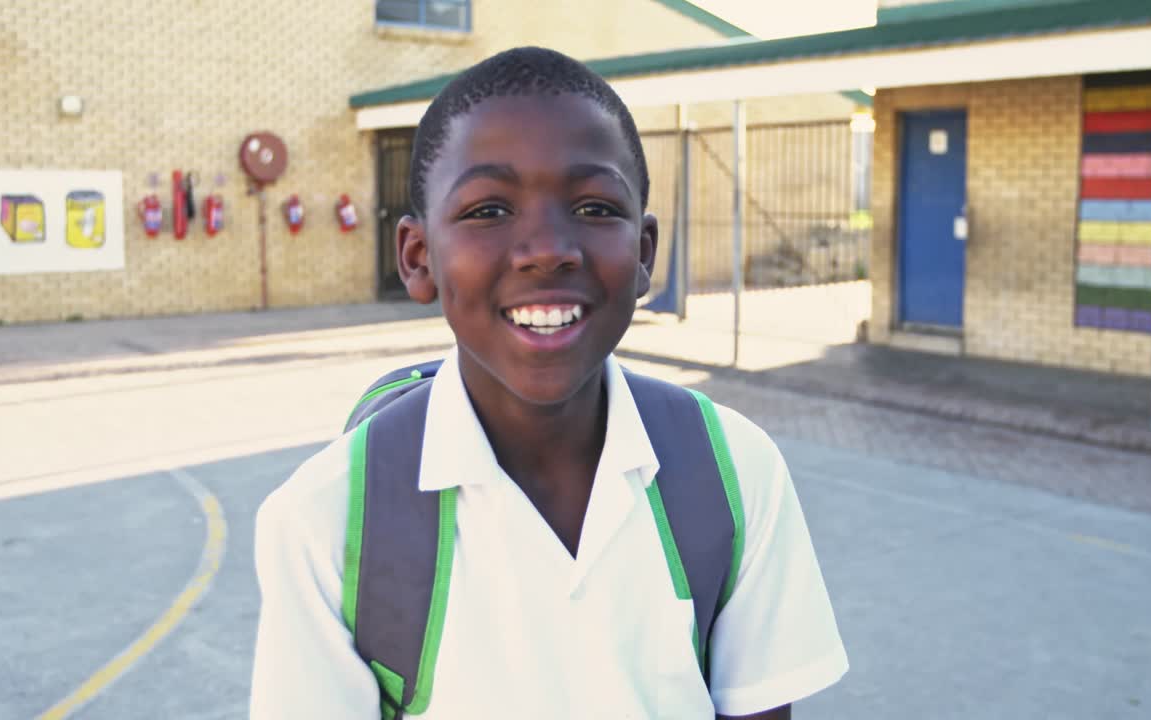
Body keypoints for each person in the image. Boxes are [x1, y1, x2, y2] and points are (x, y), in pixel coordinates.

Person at [249, 46, 847, 719]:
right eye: (487, 211)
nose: (547, 249)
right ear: (419, 258)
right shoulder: (323, 522)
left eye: (594, 208)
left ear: (644, 252)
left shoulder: (734, 471)